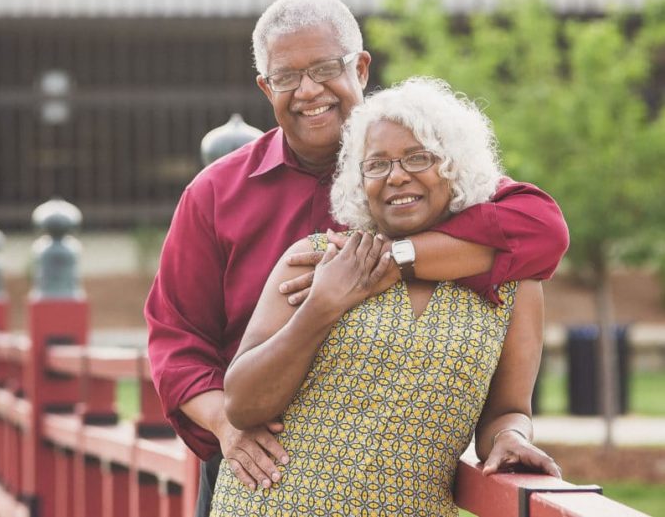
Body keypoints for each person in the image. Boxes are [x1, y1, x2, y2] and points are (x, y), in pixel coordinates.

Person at [145, 0, 569, 516]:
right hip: (254, 463)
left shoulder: (422, 173)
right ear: (265, 87)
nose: (308, 91)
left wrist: (391, 260)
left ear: (361, 67)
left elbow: (541, 230)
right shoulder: (215, 194)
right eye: (286, 77)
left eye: (325, 68)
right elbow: (176, 340)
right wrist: (227, 425)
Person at [211, 76, 561, 516]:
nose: (396, 176)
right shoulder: (319, 259)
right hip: (272, 505)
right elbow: (242, 405)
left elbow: (508, 410)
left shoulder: (510, 280)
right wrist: (323, 305)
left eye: (418, 158)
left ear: (455, 166)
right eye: (376, 165)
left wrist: (511, 437)